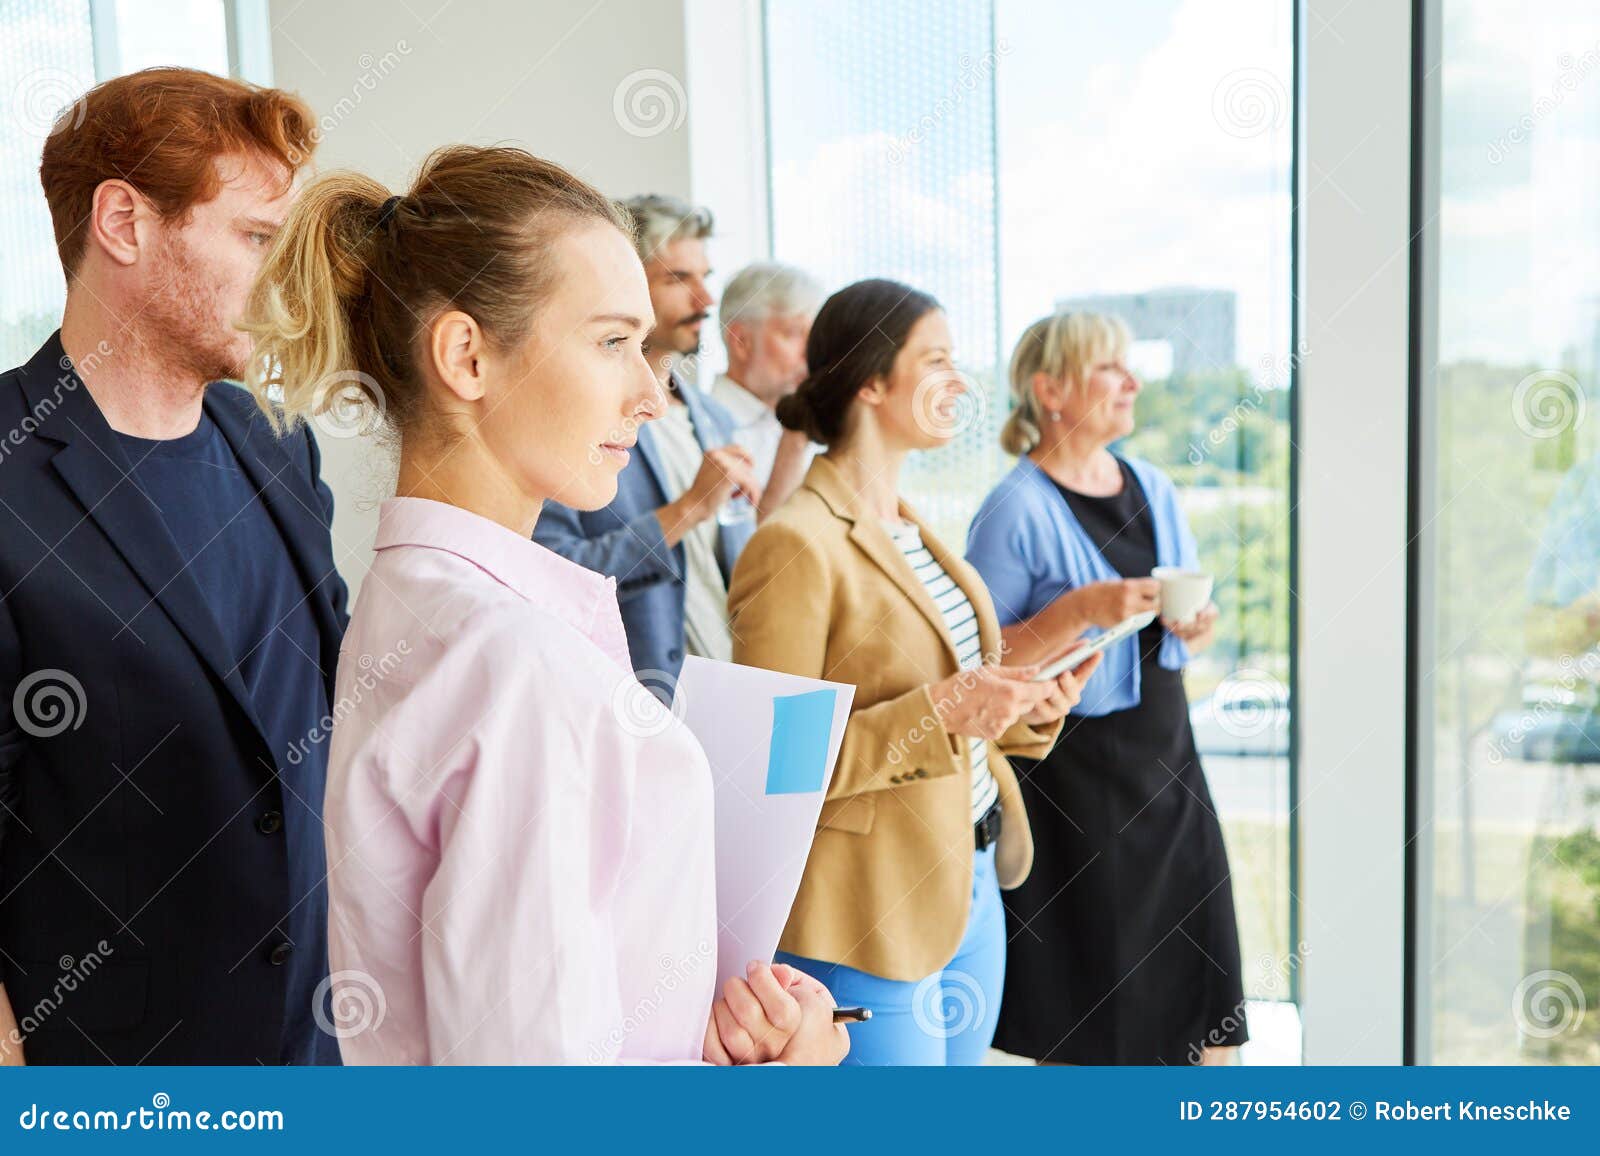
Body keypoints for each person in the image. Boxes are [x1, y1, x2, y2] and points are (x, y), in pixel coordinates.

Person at [241, 145, 846, 1065]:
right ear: (467, 355)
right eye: (612, 342)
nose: (652, 394)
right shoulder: (512, 661)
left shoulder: (420, 606)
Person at [0, 68, 346, 1066]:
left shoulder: (278, 446)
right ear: (123, 221)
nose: (285, 284)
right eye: (255, 239)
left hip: (319, 1055)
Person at [727, 279, 1099, 1065]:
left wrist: (1032, 704)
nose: (959, 383)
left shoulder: (917, 532)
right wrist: (942, 710)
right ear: (871, 381)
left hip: (968, 887)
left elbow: (962, 714)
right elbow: (779, 768)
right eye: (935, 361)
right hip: (863, 913)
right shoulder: (795, 543)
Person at [964, 309, 1247, 1065]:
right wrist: (1080, 611)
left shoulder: (1151, 484)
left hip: (1169, 765)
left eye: (1131, 367)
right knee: (1097, 1008)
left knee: (1195, 986)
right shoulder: (1013, 508)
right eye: (1109, 369)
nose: (1133, 382)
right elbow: (981, 659)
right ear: (1050, 390)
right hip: (1072, 783)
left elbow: (1177, 620)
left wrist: (1197, 623)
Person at [534, 194, 761, 698]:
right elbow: (556, 577)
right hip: (636, 706)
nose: (705, 300)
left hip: (730, 697)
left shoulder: (716, 420)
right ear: (627, 285)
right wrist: (687, 510)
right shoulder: (579, 423)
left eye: (706, 277)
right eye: (679, 279)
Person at [711, 262, 822, 493]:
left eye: (814, 336)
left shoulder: (812, 419)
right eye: (793, 333)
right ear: (741, 341)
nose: (810, 351)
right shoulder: (705, 431)